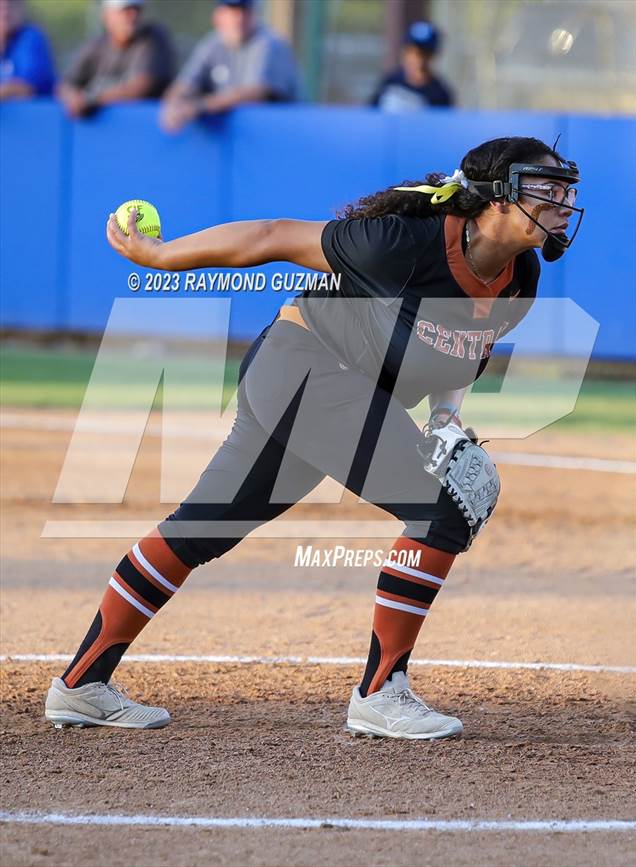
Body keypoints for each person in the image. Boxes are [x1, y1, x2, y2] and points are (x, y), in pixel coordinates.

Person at [44, 136, 582, 738]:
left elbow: (462, 354)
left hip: (325, 387)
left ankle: (81, 685)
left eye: (566, 191)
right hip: (303, 367)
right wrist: (160, 255)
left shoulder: (519, 278)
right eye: (546, 188)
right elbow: (272, 235)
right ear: (494, 197)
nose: (562, 203)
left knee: (202, 527)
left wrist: (444, 419)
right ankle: (380, 693)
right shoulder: (402, 244)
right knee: (444, 508)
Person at [161, 0, 299, 133]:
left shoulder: (269, 43)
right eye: (232, 12)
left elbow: (256, 93)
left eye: (244, 11)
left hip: (285, 135)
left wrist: (200, 106)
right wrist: (175, 103)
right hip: (244, 139)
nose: (239, 19)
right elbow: (185, 84)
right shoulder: (212, 44)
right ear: (218, 16)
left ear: (254, 14)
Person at [58, 0, 174, 119]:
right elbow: (66, 85)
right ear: (107, 15)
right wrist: (73, 97)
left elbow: (141, 86)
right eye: (126, 10)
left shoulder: (153, 39)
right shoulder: (96, 46)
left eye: (137, 9)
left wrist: (91, 99)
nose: (133, 15)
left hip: (143, 125)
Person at [371, 21, 454, 112]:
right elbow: (371, 112)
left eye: (424, 54)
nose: (418, 60)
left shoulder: (439, 93)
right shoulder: (390, 83)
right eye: (412, 52)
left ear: (432, 56)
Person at [0, 0, 55, 100]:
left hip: (36, 108)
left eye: (11, 5)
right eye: (1, 7)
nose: (5, 12)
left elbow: (27, 86)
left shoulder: (30, 38)